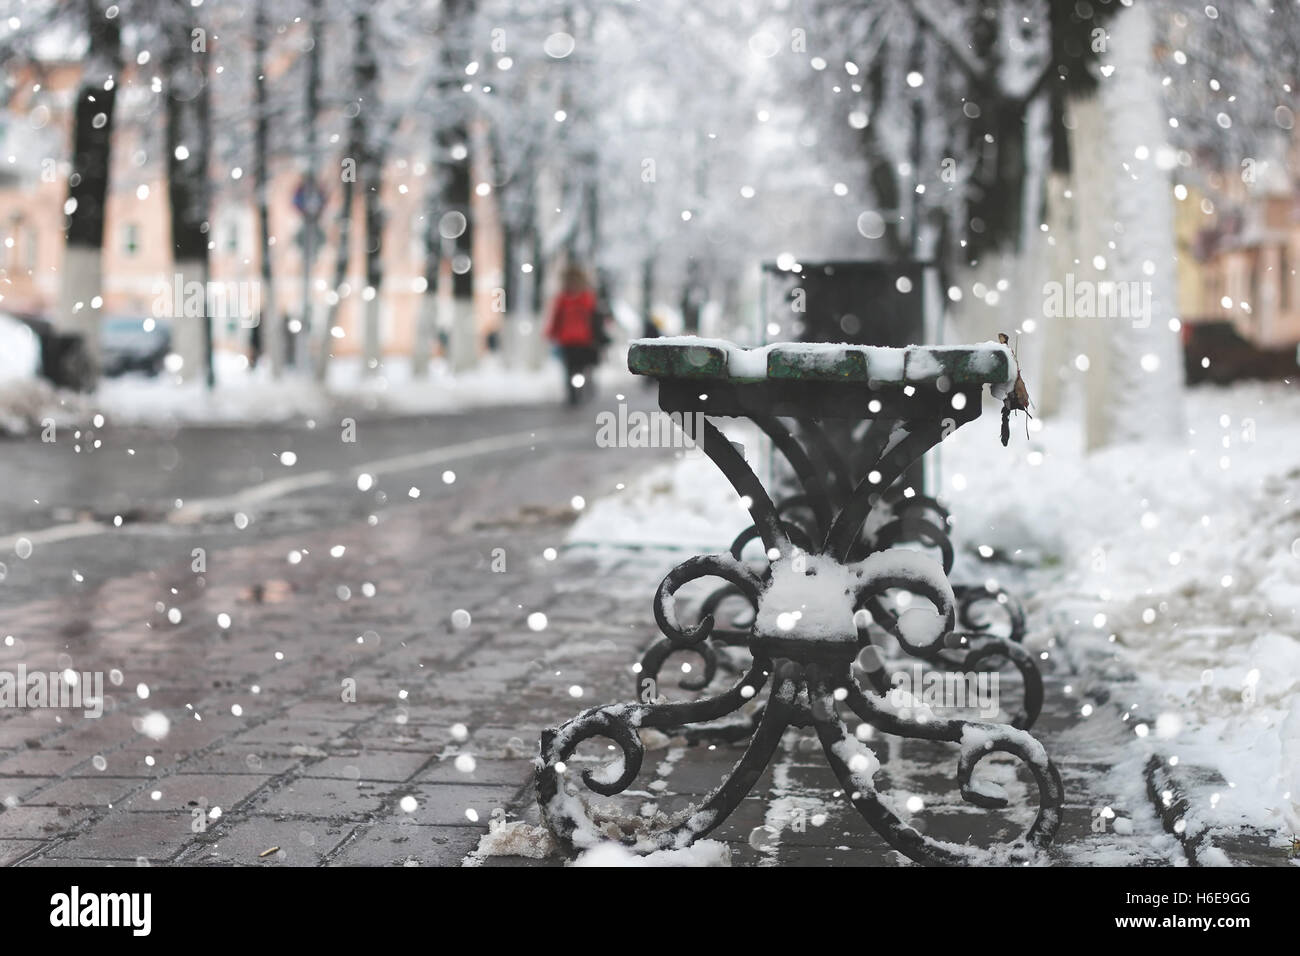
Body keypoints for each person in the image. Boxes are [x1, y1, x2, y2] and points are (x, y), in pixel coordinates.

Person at [545, 264, 600, 405]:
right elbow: (557, 318)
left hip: (581, 340)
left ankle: (576, 394)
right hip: (571, 340)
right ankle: (574, 394)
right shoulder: (567, 299)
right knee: (572, 368)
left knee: (577, 368)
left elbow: (593, 318)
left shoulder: (585, 298)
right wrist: (551, 332)